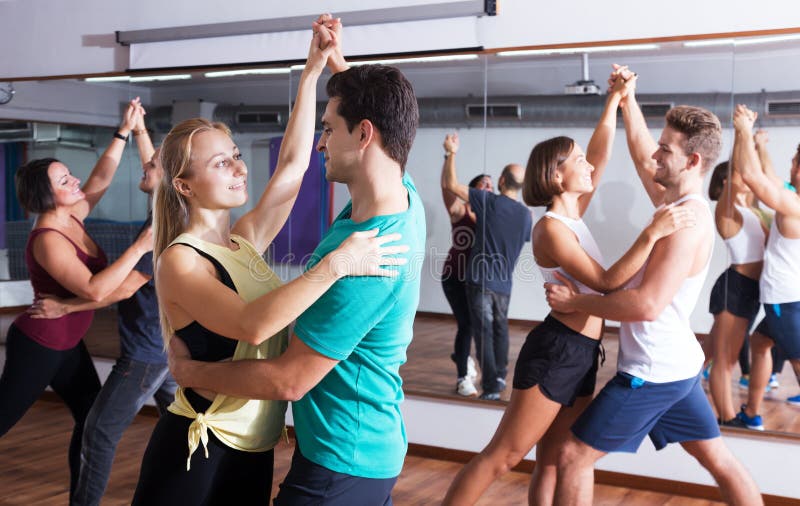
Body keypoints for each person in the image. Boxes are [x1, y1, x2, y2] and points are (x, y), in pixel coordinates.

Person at [167, 15, 425, 505]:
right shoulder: (396, 203)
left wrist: (190, 372)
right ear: (183, 184)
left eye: (329, 131)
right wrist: (329, 72)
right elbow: (349, 142)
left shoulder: (369, 256)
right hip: (287, 446)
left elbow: (288, 378)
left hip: (336, 456)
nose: (321, 142)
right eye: (221, 161)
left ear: (365, 134)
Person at [443, 67, 694, 506]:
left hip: (582, 353)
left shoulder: (573, 212)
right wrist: (652, 233)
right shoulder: (552, 230)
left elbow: (601, 148)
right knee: (503, 456)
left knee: (555, 458)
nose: (589, 164)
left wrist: (614, 102)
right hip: (556, 351)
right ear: (558, 177)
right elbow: (606, 282)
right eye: (578, 161)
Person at [545, 65, 762, 506]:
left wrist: (577, 299)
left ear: (693, 161)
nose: (656, 156)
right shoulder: (675, 201)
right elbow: (643, 149)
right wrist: (629, 100)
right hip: (679, 367)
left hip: (653, 373)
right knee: (719, 460)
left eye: (667, 150)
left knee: (571, 456)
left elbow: (645, 305)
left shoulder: (686, 222)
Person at [0, 99, 153, 500]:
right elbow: (98, 290)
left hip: (67, 344)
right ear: (45, 196)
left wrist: (124, 130)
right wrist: (140, 247)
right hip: (40, 344)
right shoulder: (49, 240)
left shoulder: (72, 216)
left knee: (88, 418)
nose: (74, 182)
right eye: (63, 180)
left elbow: (102, 175)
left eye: (69, 175)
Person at [27, 104, 179, 505]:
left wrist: (65, 308)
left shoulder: (161, 225)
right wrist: (135, 129)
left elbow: (120, 289)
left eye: (151, 166)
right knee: (183, 425)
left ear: (170, 178)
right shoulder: (169, 206)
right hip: (159, 343)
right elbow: (143, 170)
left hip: (147, 349)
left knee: (98, 432)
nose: (143, 167)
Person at [441, 140, 533, 401]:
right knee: (500, 329)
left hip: (480, 280)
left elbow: (450, 185)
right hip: (505, 284)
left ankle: (491, 387)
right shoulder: (526, 215)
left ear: (502, 180)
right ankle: (501, 375)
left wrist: (451, 153)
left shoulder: (489, 202)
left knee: (483, 333)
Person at [732, 105, 800, 429]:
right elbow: (771, 179)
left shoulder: (795, 205)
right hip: (789, 299)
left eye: (795, 162)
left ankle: (754, 415)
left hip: (785, 301)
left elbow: (752, 177)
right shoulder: (792, 199)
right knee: (760, 344)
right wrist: (759, 146)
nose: (790, 166)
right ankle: (753, 413)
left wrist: (744, 130)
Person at [705, 160, 768, 427]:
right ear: (726, 181)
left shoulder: (752, 210)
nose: (749, 175)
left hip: (751, 290)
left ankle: (673, 390)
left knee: (709, 352)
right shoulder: (726, 211)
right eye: (742, 172)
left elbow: (760, 178)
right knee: (726, 360)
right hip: (735, 286)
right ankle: (727, 418)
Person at [440, 134, 492, 397]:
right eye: (484, 185)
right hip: (454, 277)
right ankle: (462, 378)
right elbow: (447, 188)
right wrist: (451, 154)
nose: (489, 189)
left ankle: (462, 356)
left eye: (492, 186)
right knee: (467, 325)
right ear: (471, 191)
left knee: (476, 325)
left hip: (477, 280)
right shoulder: (462, 210)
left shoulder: (493, 216)